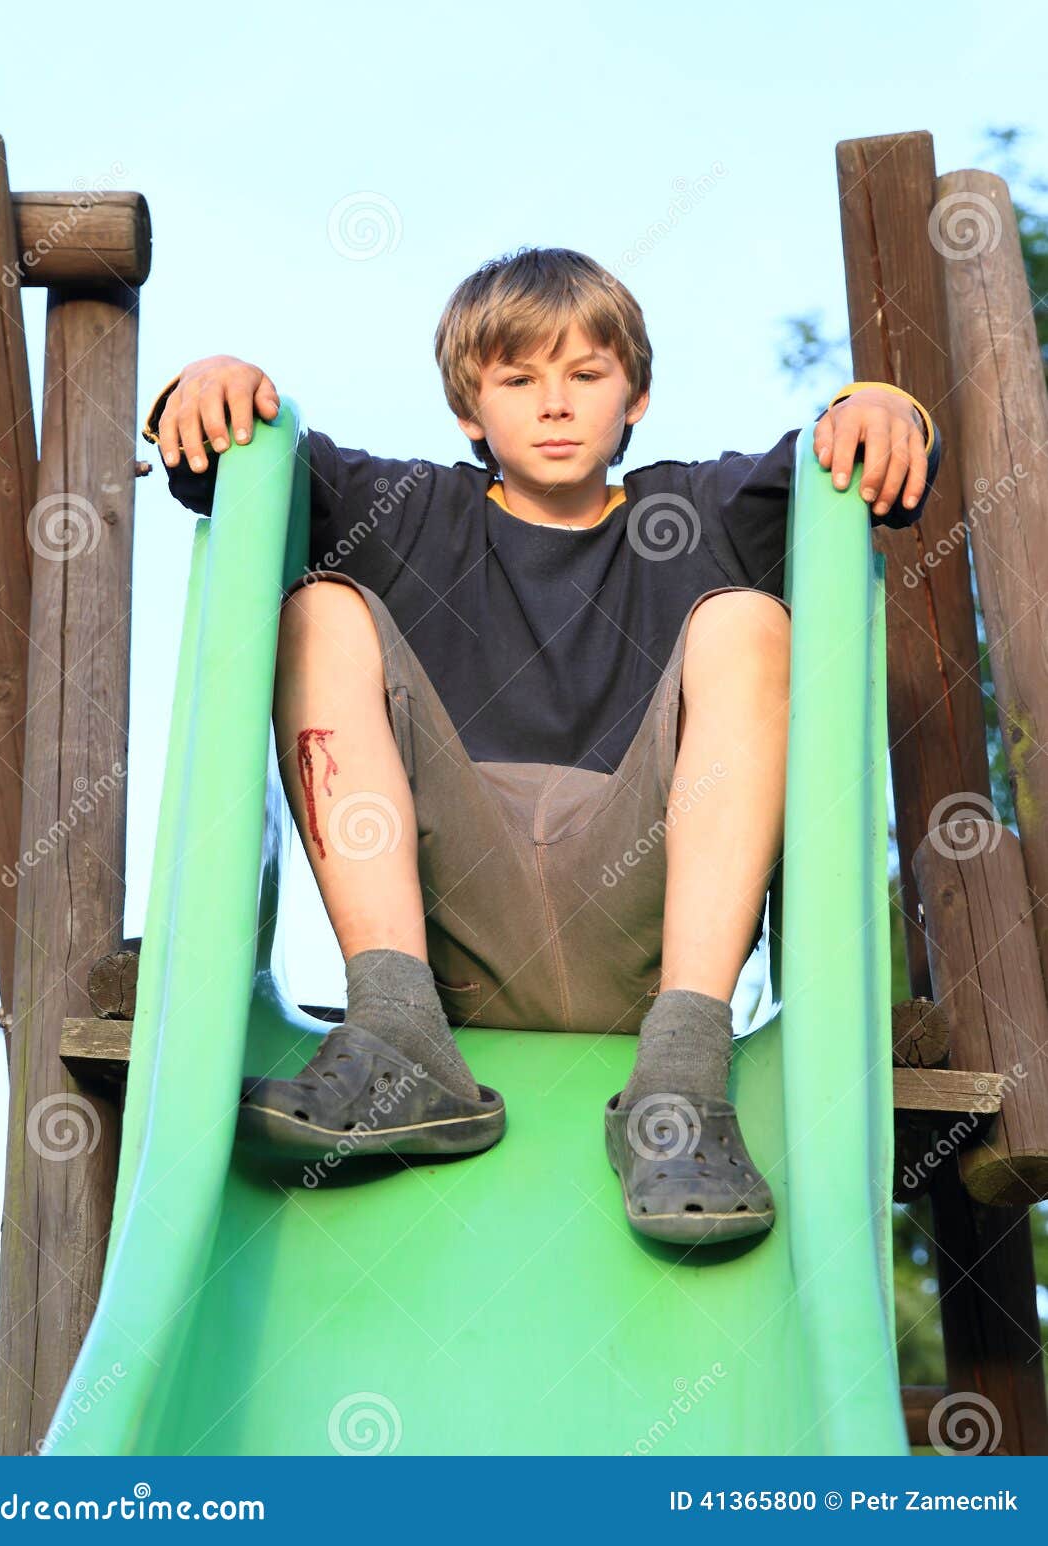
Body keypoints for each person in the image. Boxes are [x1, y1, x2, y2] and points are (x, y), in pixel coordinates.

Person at [141, 246, 940, 1246]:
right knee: (314, 612)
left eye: (585, 374)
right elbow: (232, 459)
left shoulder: (698, 510)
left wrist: (876, 402)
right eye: (516, 380)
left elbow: (856, 452)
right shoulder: (407, 513)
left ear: (634, 394)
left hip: (639, 928)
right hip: (460, 941)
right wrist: (210, 378)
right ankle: (395, 1034)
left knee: (745, 621)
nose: (553, 405)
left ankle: (685, 1077)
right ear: (470, 413)